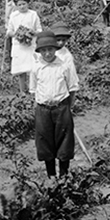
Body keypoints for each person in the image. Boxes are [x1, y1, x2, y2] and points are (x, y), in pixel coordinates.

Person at [29, 32, 79, 178]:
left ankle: (64, 176)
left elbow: (72, 88)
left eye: (50, 50)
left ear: (55, 50)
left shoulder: (64, 66)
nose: (47, 53)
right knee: (45, 142)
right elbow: (34, 90)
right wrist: (39, 107)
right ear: (39, 52)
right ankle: (51, 176)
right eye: (43, 50)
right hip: (43, 109)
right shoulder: (36, 68)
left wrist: (67, 108)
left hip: (62, 107)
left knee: (64, 141)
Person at [7, 0, 42, 92]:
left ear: (28, 4)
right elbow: (9, 31)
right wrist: (17, 35)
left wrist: (33, 32)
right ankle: (23, 91)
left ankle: (33, 90)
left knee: (33, 69)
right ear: (16, 5)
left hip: (30, 45)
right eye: (19, 5)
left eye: (24, 4)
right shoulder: (14, 16)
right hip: (19, 46)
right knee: (21, 70)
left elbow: (39, 30)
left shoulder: (33, 14)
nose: (22, 6)